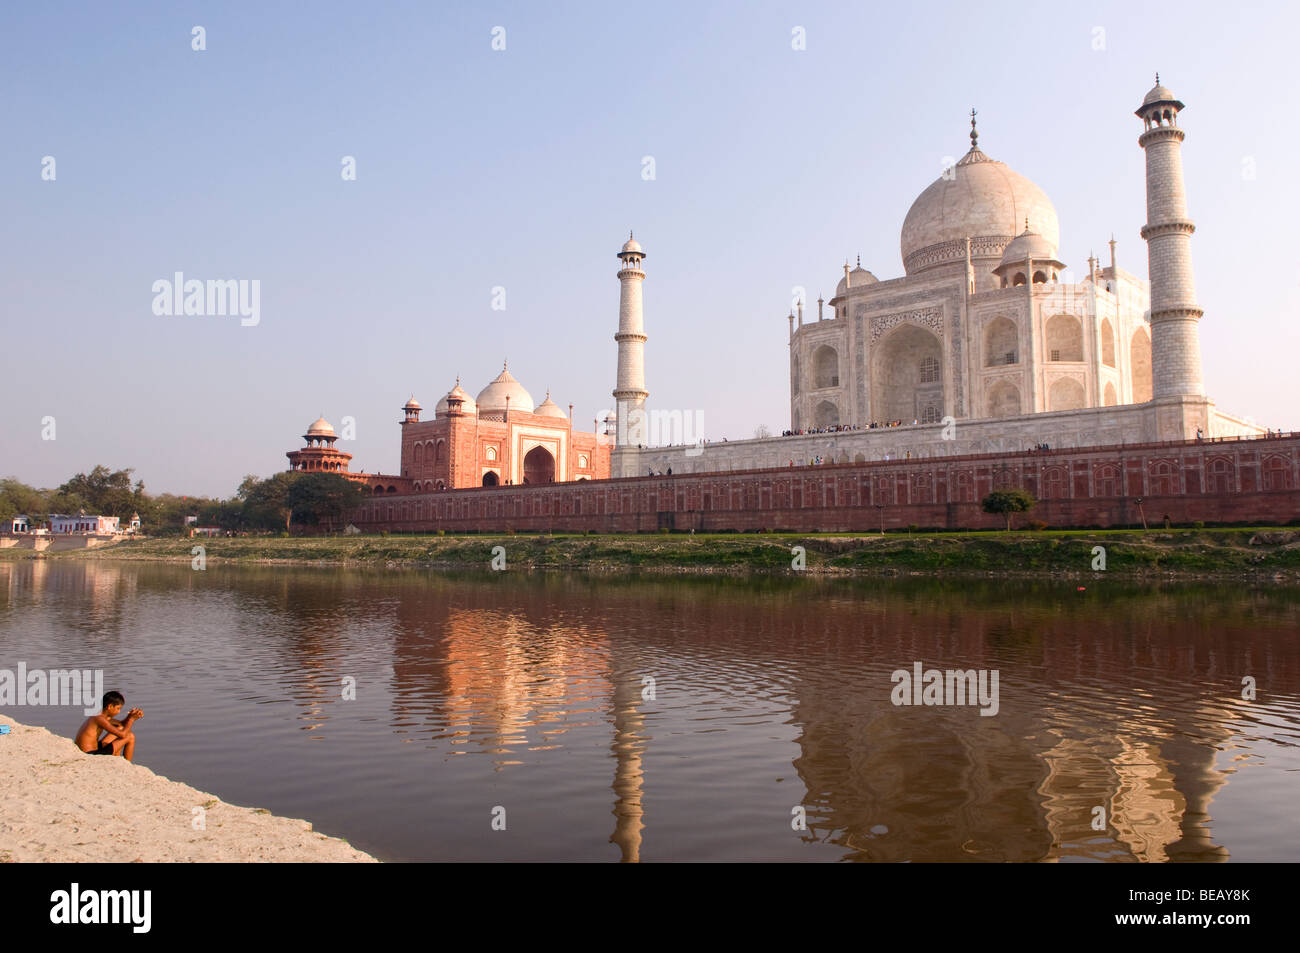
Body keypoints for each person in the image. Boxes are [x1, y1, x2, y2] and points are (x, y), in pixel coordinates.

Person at [75, 691, 142, 762]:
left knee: (120, 728)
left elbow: (121, 724)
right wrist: (131, 719)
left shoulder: (100, 716)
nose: (119, 712)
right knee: (130, 736)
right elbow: (123, 735)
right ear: (110, 706)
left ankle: (117, 761)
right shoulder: (99, 719)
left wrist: (130, 717)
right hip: (90, 755)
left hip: (95, 749)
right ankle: (128, 766)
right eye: (118, 708)